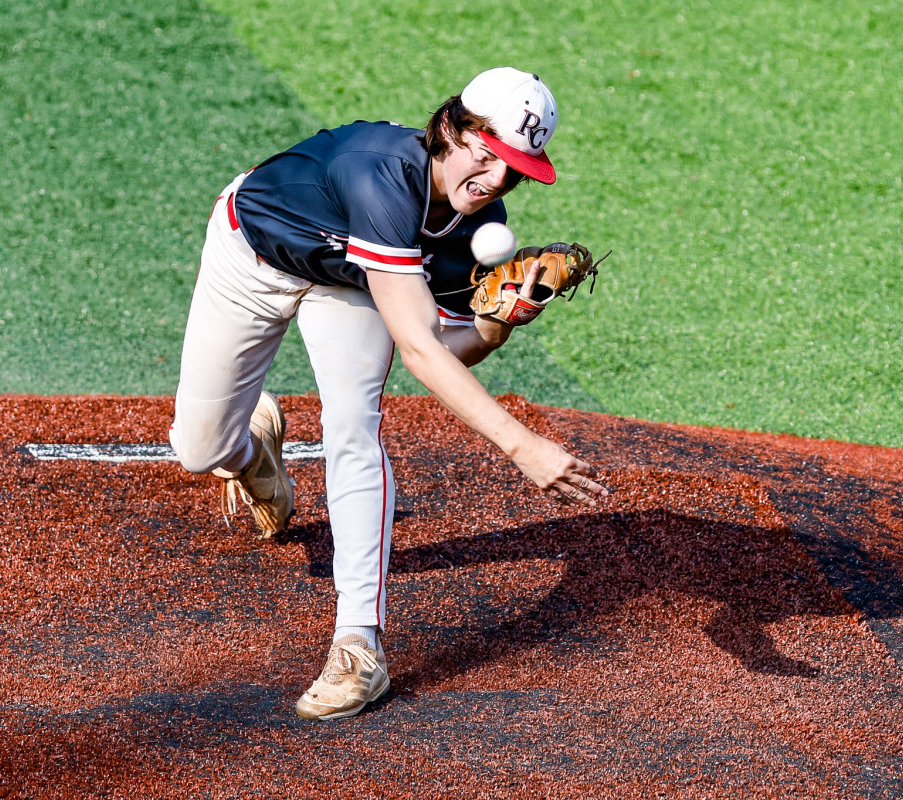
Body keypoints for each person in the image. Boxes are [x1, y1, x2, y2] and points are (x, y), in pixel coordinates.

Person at [169, 67, 609, 721]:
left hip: (349, 284)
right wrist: (522, 446)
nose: (492, 180)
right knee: (199, 450)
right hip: (252, 253)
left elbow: (440, 345)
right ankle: (253, 444)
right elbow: (427, 353)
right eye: (486, 156)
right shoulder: (380, 174)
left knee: (354, 423)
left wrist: (495, 322)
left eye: (512, 169)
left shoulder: (473, 222)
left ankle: (359, 649)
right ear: (450, 129)